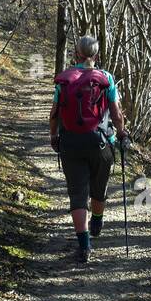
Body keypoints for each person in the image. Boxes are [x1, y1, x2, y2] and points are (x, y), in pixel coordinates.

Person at [49, 35, 127, 262]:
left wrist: (54, 135)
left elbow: (54, 114)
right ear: (96, 55)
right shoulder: (106, 78)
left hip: (71, 143)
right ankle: (98, 219)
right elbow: (116, 113)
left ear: (77, 54)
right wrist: (121, 133)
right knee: (98, 187)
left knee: (77, 194)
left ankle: (84, 246)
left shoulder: (65, 80)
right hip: (100, 143)